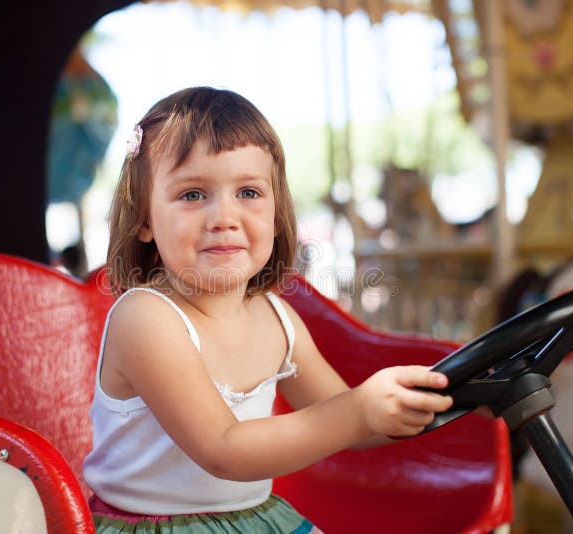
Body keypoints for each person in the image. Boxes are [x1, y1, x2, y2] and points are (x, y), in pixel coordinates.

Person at [82, 87, 453, 533]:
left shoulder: (277, 318)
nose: (224, 216)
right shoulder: (146, 318)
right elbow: (223, 449)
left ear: (277, 212)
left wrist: (444, 396)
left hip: (256, 518)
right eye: (193, 195)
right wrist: (357, 411)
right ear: (144, 218)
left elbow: (352, 420)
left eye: (249, 192)